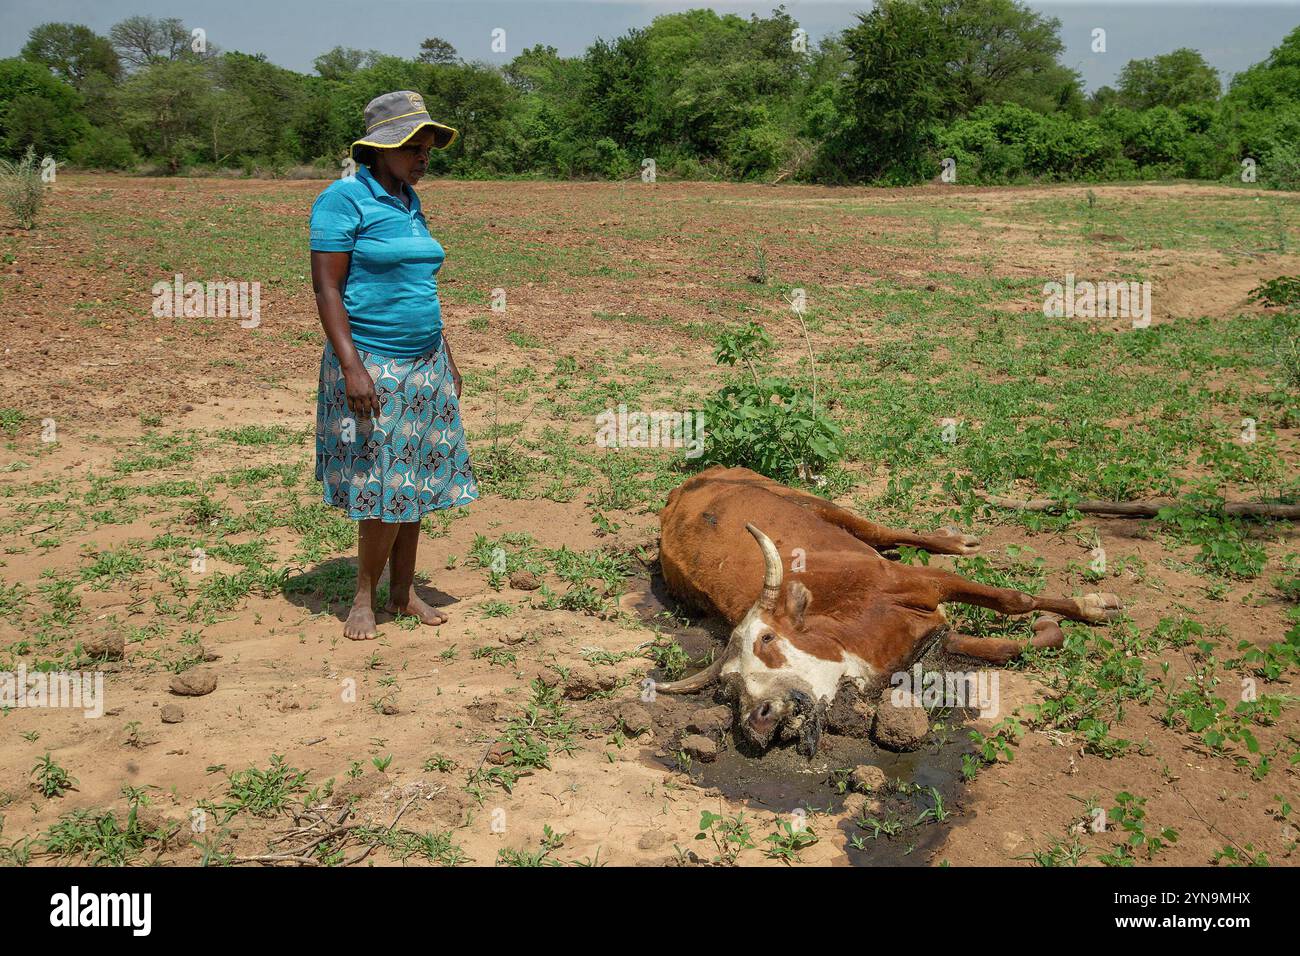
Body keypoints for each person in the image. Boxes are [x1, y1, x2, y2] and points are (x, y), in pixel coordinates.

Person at [309, 90, 477, 640]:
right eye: (413, 148)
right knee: (383, 483)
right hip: (373, 360)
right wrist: (352, 368)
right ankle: (364, 597)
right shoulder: (343, 199)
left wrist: (446, 355)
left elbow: (419, 286)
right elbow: (328, 289)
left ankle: (403, 593)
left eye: (428, 149)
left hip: (425, 360)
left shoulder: (408, 201)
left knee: (416, 478)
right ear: (379, 150)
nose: (423, 158)